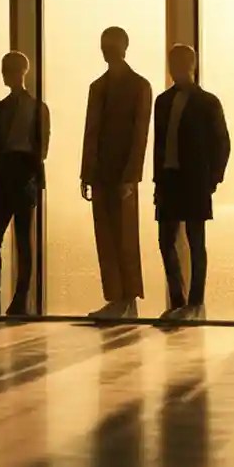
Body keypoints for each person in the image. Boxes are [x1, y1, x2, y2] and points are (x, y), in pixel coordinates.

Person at [0, 51, 51, 317]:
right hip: (5, 176)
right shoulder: (0, 108)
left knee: (21, 241)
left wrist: (31, 177)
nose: (5, 75)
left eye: (8, 69)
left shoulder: (37, 107)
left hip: (22, 174)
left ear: (19, 72)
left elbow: (42, 148)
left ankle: (19, 299)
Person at [152, 44, 230, 321]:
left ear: (192, 65)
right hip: (169, 180)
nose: (176, 69)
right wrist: (157, 181)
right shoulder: (162, 102)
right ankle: (178, 301)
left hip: (194, 181)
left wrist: (212, 179)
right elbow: (158, 144)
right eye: (173, 63)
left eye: (182, 63)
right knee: (166, 241)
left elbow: (222, 142)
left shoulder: (207, 102)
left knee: (195, 242)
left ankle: (194, 303)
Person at [81, 26, 153, 319]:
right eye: (103, 45)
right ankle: (116, 298)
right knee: (106, 236)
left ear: (123, 47)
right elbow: (91, 132)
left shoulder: (139, 86)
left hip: (123, 173)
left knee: (125, 236)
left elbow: (141, 134)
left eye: (110, 45)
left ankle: (128, 299)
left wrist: (132, 175)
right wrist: (86, 173)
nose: (105, 50)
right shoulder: (97, 87)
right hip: (100, 173)